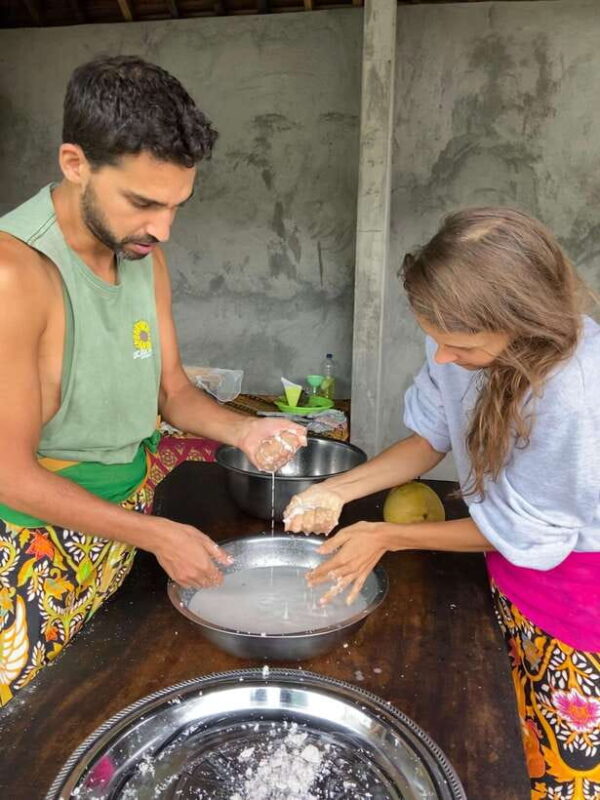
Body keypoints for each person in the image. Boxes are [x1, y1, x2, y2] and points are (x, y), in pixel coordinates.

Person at [0, 55, 306, 706]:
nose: (162, 229)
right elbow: (9, 475)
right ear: (74, 163)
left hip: (124, 522)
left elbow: (171, 391)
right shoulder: (14, 275)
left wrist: (246, 430)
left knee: (99, 703)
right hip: (26, 552)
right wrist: (157, 534)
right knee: (27, 730)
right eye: (143, 202)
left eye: (176, 206)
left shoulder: (143, 255)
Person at [284, 207, 600, 800]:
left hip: (577, 611)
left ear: (523, 323)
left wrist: (386, 535)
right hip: (504, 574)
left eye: (461, 345)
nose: (443, 358)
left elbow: (528, 531)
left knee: (557, 775)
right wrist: (338, 489)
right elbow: (430, 439)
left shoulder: (578, 395)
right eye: (435, 340)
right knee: (495, 749)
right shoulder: (457, 346)